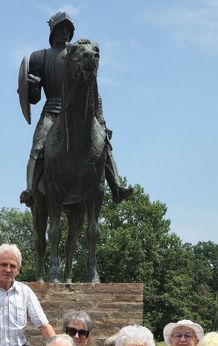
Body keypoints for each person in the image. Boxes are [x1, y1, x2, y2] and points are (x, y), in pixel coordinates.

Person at [18, 12, 132, 206]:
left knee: (104, 143)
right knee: (38, 146)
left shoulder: (78, 52)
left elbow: (91, 84)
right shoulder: (40, 57)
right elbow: (34, 99)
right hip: (53, 110)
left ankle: (117, 187)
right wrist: (33, 86)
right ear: (53, 32)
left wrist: (86, 49)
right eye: (61, 29)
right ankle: (30, 190)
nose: (65, 32)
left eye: (68, 29)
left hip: (81, 110)